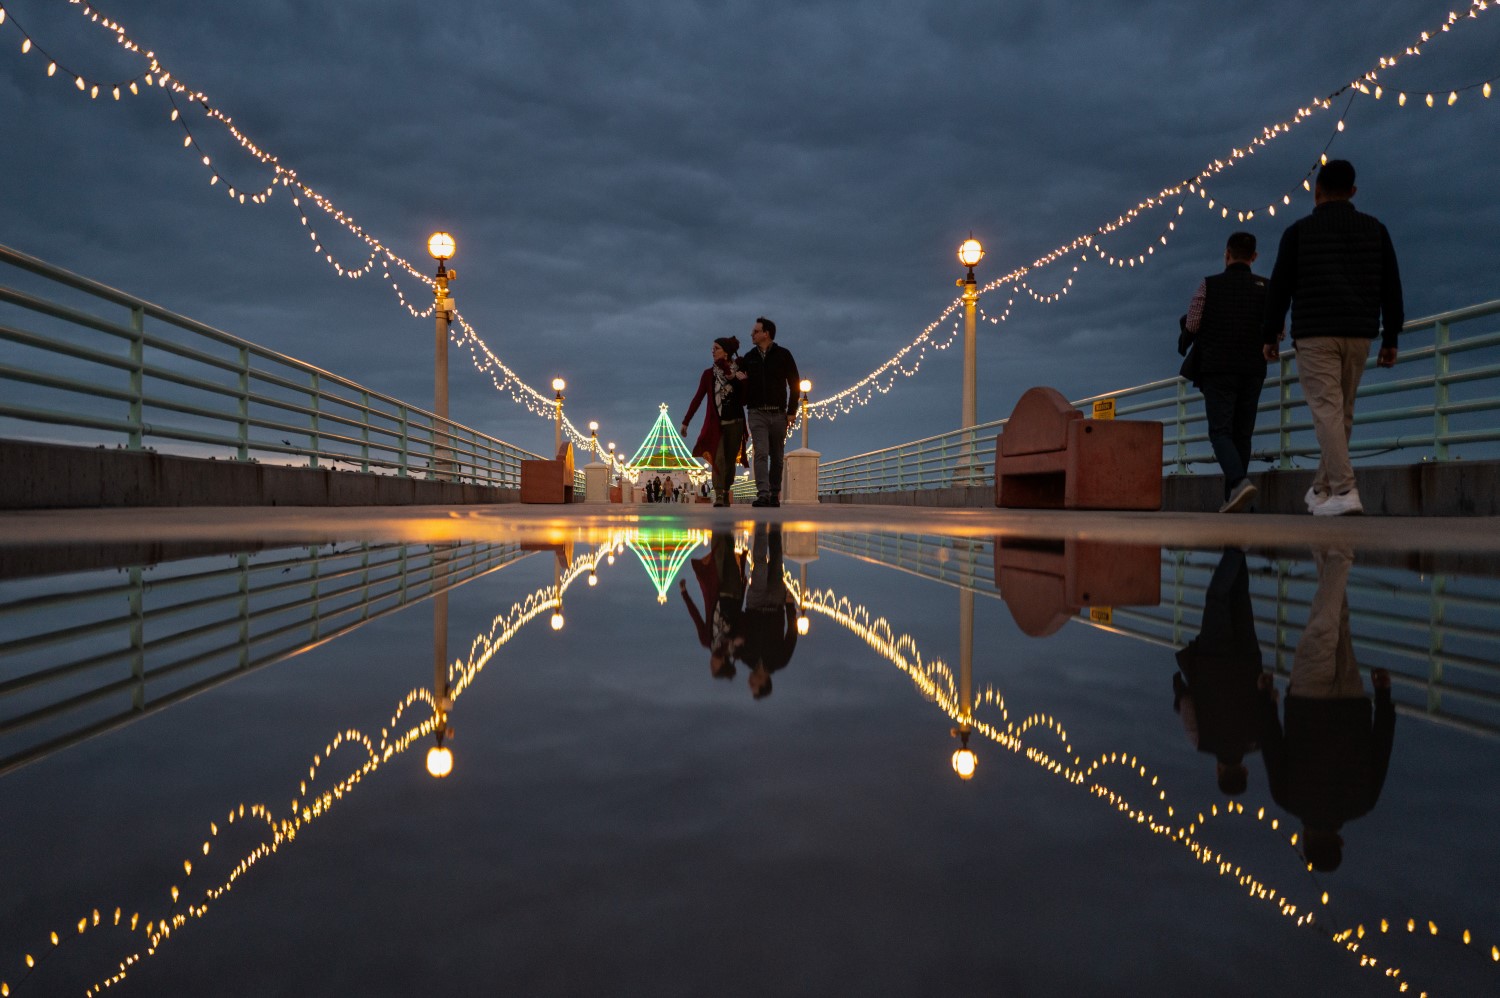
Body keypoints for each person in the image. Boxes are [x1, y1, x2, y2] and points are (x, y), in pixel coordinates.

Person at [1262, 159, 1404, 517]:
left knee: (1327, 410)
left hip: (1315, 332)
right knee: (1343, 413)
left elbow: (1280, 288)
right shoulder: (1376, 229)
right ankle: (1321, 489)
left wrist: (1270, 334)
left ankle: (1345, 490)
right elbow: (1392, 286)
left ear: (1316, 191)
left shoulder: (1298, 233)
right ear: (1353, 192)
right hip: (1360, 332)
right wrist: (1391, 337)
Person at [1257, 547, 1396, 872]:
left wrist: (1383, 696)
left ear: (1339, 841)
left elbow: (1382, 747)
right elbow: (1271, 745)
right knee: (1322, 629)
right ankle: (1342, 553)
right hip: (1308, 701)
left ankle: (1325, 547)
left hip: (1351, 703)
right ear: (1305, 839)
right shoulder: (1287, 799)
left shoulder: (1364, 803)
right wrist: (1265, 701)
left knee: (1339, 623)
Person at [1181, 232, 1270, 514]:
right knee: (1242, 434)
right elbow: (1275, 329)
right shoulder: (1266, 288)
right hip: (1253, 368)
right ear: (1254, 256)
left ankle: (1239, 482)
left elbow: (1193, 324)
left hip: (1218, 368)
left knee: (1221, 431)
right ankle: (1233, 498)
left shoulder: (1209, 285)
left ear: (1227, 253)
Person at [1172, 548, 1262, 796]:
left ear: (1244, 771)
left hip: (1247, 661)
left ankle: (1240, 552)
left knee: (1240, 598)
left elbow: (1270, 700)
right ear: (1218, 771)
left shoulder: (1258, 740)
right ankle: (1235, 550)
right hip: (1212, 661)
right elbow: (1188, 703)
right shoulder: (1200, 741)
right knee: (1216, 597)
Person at [736, 316, 800, 508]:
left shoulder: (783, 355)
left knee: (777, 455)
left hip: (779, 413)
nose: (752, 334)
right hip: (757, 413)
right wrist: (739, 377)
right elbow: (736, 378)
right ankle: (763, 494)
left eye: (756, 331)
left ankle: (774, 493)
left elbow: (794, 383)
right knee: (761, 453)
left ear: (767, 334)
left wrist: (791, 411)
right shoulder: (749, 357)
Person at [681, 336, 749, 507]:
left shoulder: (739, 371)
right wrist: (686, 421)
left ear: (726, 352)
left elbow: (744, 398)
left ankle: (726, 491)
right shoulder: (708, 374)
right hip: (716, 425)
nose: (713, 351)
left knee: (730, 459)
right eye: (712, 348)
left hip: (736, 422)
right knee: (718, 459)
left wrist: (738, 379)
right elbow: (697, 398)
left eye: (716, 348)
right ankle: (719, 494)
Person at [737, 523, 798, 697]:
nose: (749, 683)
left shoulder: (746, 659)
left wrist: (736, 643)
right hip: (776, 603)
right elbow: (792, 634)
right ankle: (776, 528)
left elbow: (737, 634)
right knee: (777, 559)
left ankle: (762, 526)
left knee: (760, 563)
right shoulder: (780, 661)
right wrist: (789, 605)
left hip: (755, 604)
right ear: (764, 682)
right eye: (753, 686)